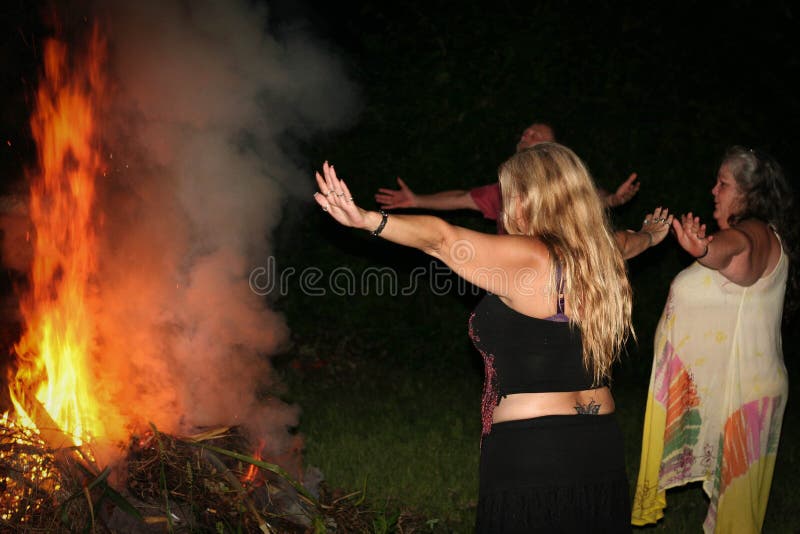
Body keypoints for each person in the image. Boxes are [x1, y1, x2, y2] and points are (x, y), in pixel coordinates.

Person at [315, 142, 635, 532]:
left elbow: (442, 239)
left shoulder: (528, 256)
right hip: (602, 445)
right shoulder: (603, 254)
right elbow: (633, 240)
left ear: (526, 197)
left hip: (535, 452)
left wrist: (368, 219)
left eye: (508, 195)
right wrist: (654, 232)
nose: (503, 208)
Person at [631, 146, 796, 533]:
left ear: (748, 193)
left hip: (747, 399)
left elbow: (737, 253)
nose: (713, 191)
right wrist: (709, 248)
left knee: (736, 522)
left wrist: (705, 248)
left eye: (723, 184)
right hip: (740, 390)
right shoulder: (758, 236)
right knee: (724, 516)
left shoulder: (755, 232)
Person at [374, 122, 641, 221]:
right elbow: (462, 197)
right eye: (526, 131)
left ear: (551, 149)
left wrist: (613, 201)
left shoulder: (559, 182)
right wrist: (418, 200)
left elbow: (589, 195)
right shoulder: (506, 189)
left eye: (536, 134)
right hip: (513, 279)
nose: (527, 133)